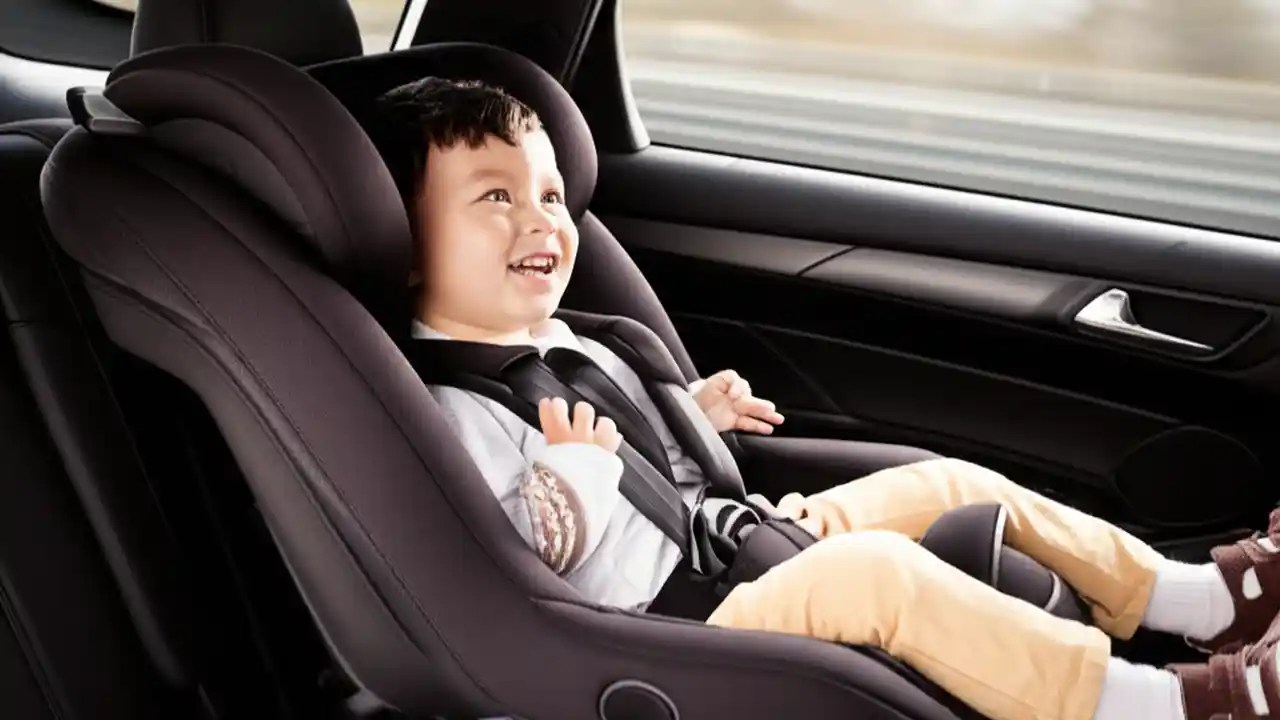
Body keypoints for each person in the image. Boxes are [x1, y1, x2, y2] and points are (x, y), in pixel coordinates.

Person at [373, 75, 1280, 720]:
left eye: (551, 195)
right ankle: (1173, 707)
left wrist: (688, 414)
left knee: (949, 481)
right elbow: (520, 557)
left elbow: (646, 462)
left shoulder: (569, 340)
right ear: (407, 246)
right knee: (874, 578)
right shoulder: (449, 410)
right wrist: (570, 479)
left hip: (736, 536)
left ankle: (1211, 599)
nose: (542, 220)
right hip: (667, 624)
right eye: (496, 197)